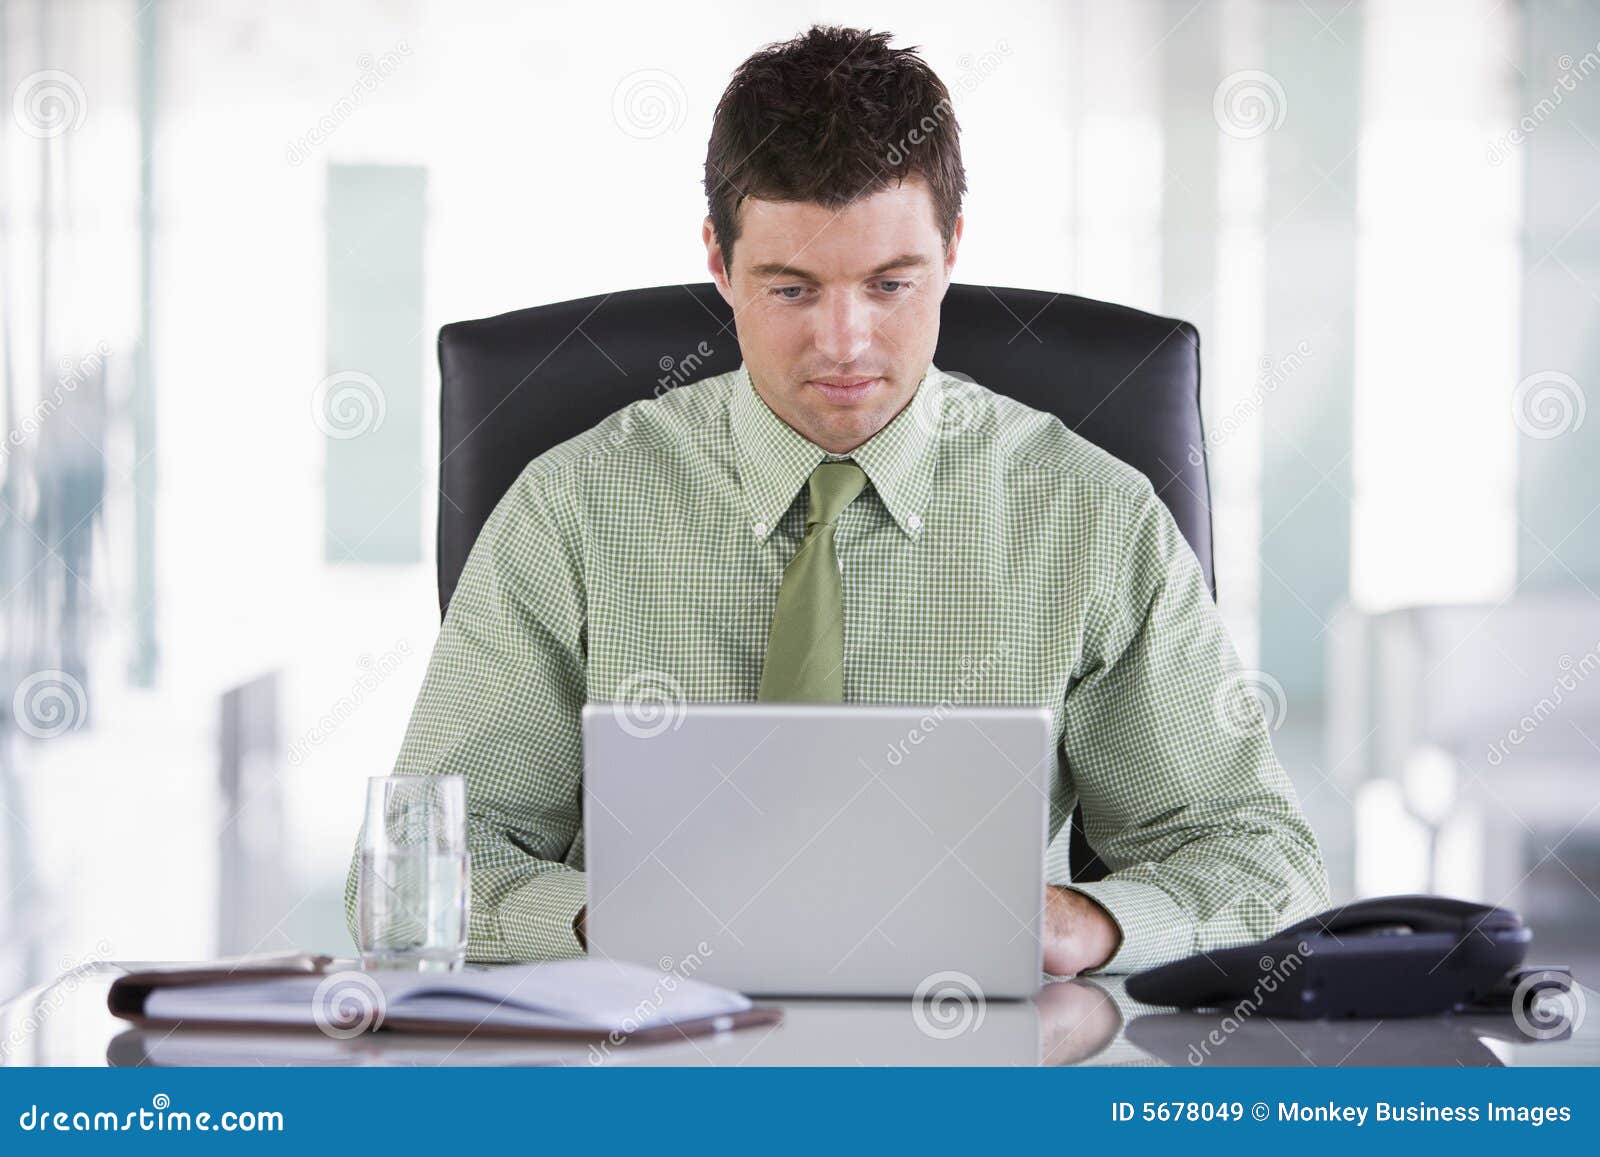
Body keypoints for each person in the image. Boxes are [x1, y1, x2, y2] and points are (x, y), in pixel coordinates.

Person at [345, 24, 1327, 975]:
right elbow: (417, 862)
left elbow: (1259, 854)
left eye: (891, 283)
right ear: (719, 263)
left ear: (951, 250)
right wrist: (608, 913)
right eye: (791, 289)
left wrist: (1092, 922)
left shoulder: (1093, 519)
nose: (845, 342)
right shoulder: (571, 509)